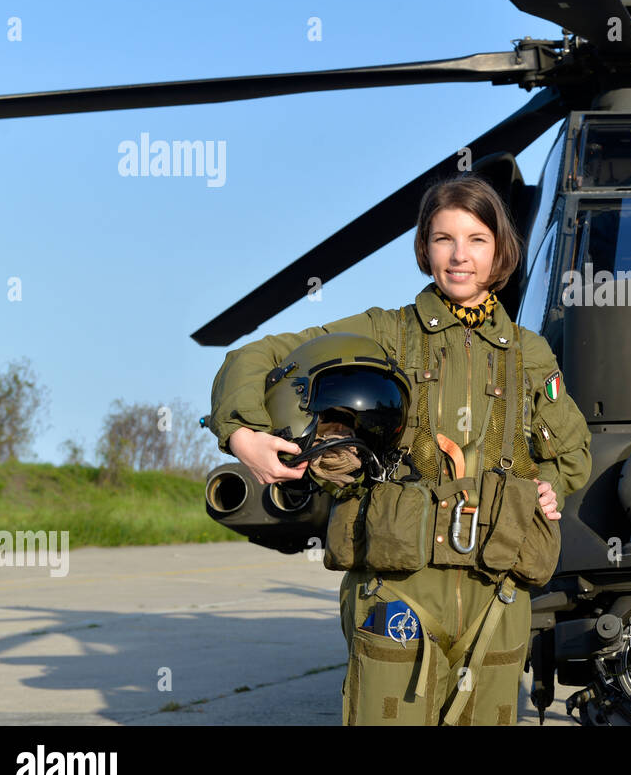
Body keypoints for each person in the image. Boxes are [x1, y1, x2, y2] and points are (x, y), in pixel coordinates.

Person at [207, 174, 592, 725]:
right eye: (443, 239)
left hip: (497, 599)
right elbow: (258, 355)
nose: (460, 257)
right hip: (397, 591)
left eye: (477, 239)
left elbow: (573, 455)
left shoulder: (529, 354)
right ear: (424, 248)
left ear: (501, 249)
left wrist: (548, 487)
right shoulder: (383, 333)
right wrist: (242, 433)